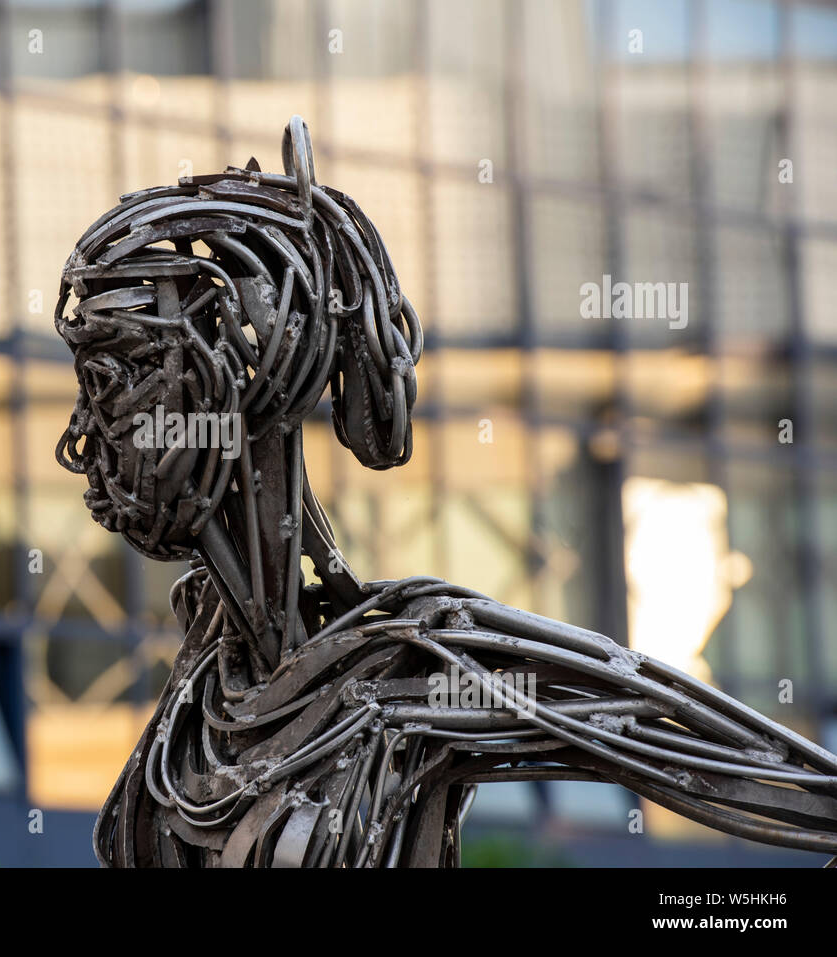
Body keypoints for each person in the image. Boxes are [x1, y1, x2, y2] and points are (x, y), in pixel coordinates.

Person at [53, 116, 837, 867]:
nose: (82, 434)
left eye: (109, 379)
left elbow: (791, 787)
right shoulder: (198, 687)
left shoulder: (420, 660)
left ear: (236, 385)